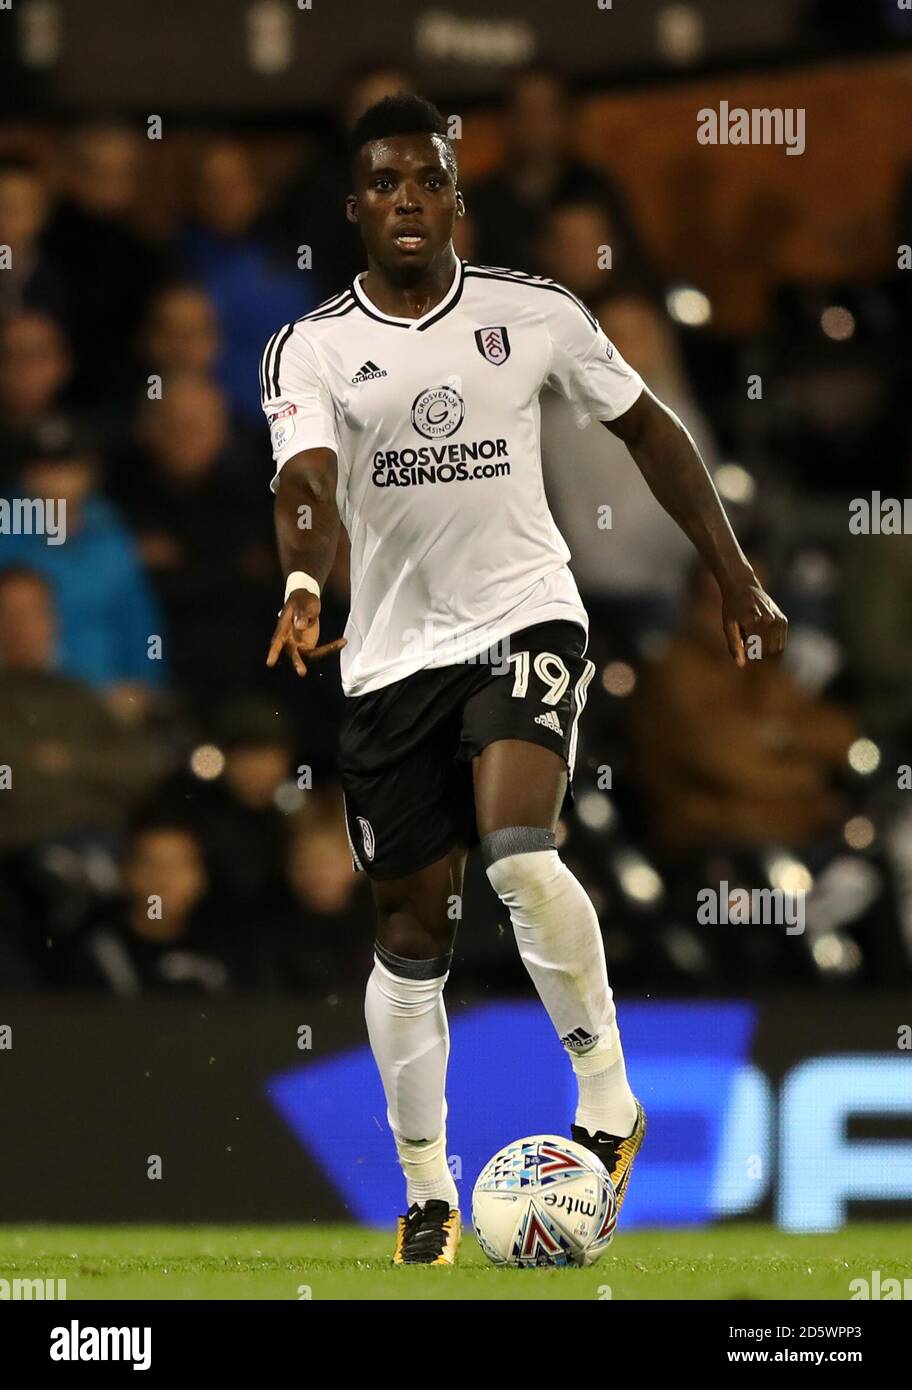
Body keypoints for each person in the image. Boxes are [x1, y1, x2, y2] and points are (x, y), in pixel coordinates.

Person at [259, 95, 787, 1266]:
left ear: (458, 199)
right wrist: (304, 583)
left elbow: (648, 426)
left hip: (525, 616)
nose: (407, 200)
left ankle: (606, 1097)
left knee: (519, 850)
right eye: (385, 183)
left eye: (426, 181)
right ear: (356, 209)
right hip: (392, 656)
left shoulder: (533, 313)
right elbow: (303, 479)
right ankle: (426, 1193)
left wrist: (734, 573)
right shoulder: (312, 347)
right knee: (411, 933)